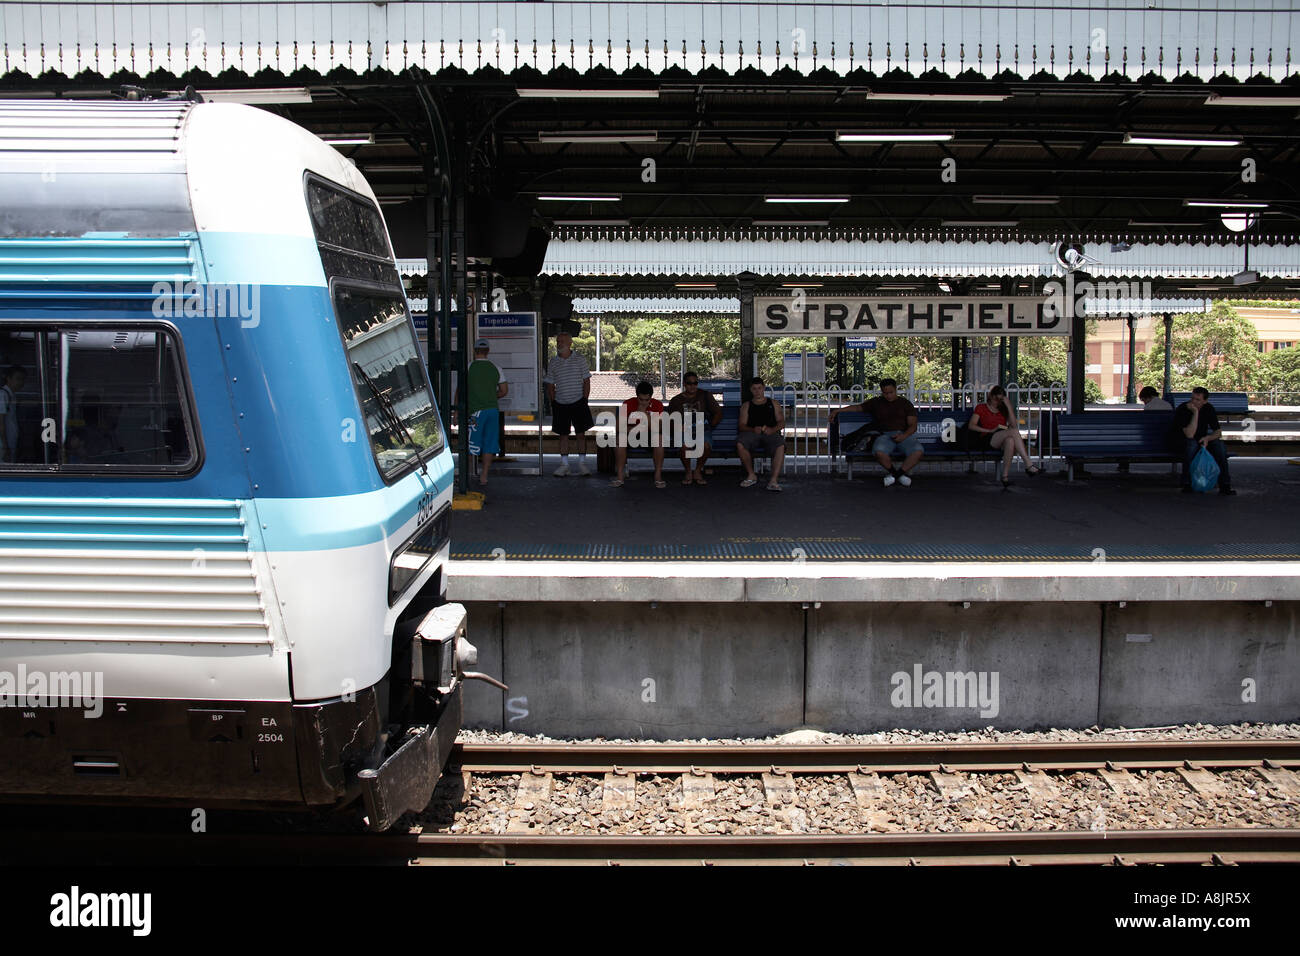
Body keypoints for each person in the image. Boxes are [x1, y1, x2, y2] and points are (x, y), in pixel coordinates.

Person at [829, 378, 922, 487]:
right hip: (884, 435)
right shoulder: (876, 402)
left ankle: (895, 475)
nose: (888, 396)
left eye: (891, 392)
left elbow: (913, 425)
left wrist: (904, 435)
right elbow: (858, 408)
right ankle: (898, 475)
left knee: (918, 451)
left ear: (895, 390)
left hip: (903, 434)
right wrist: (838, 410)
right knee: (879, 452)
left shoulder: (905, 404)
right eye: (885, 393)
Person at [966, 385, 1041, 488]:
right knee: (1013, 433)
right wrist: (989, 430)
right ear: (991, 396)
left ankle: (1005, 476)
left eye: (1000, 400)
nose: (997, 402)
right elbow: (972, 425)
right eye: (996, 398)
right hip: (987, 437)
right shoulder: (981, 408)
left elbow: (1014, 425)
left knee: (1010, 440)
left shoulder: (1003, 410)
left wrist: (1009, 406)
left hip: (1001, 434)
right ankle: (1028, 465)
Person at [543, 331, 593, 476]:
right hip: (560, 403)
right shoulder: (553, 362)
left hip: (579, 401)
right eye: (558, 341)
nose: (559, 344)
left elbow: (586, 380)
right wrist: (553, 402)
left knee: (580, 434)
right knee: (563, 435)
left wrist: (585, 399)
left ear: (570, 343)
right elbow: (550, 384)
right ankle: (564, 465)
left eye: (562, 341)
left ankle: (582, 464)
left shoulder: (580, 359)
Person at [459, 339, 507, 488]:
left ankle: (466, 476)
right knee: (490, 444)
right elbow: (504, 391)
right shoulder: (496, 368)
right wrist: (492, 397)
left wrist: (456, 412)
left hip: (475, 412)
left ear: (474, 351)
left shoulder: (469, 367)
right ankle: (484, 476)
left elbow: (460, 390)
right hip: (492, 410)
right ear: (488, 351)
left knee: (471, 443)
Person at [1172, 386, 1234, 495]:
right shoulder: (1183, 408)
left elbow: (1218, 432)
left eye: (1197, 400)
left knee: (1219, 446)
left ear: (1205, 401)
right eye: (1192, 398)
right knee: (1191, 445)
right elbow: (1189, 434)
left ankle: (1225, 485)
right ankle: (1187, 483)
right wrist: (1195, 413)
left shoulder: (1208, 408)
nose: (1193, 402)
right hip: (1182, 440)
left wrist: (1208, 438)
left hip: (1201, 439)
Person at [666, 371, 722, 485]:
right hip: (684, 429)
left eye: (695, 383)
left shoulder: (705, 396)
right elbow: (670, 420)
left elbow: (718, 412)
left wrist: (711, 425)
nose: (692, 386)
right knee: (684, 446)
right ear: (684, 384)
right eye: (689, 383)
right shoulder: (676, 400)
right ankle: (688, 471)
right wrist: (677, 426)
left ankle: (697, 471)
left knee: (705, 445)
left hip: (701, 428)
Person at [611, 381, 666, 489]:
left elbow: (658, 428)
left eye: (647, 400)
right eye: (641, 399)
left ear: (651, 397)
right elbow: (618, 427)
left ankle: (658, 476)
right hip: (632, 433)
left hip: (650, 435)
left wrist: (644, 414)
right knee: (619, 439)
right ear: (637, 397)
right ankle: (620, 476)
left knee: (659, 438)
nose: (644, 402)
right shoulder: (627, 403)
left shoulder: (657, 404)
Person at [737, 376, 786, 491]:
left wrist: (772, 430)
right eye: (754, 389)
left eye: (759, 388)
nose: (757, 391)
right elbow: (741, 425)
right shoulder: (746, 406)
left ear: (764, 388)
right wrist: (753, 429)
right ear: (751, 390)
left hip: (770, 433)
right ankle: (751, 475)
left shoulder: (773, 403)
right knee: (740, 443)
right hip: (752, 433)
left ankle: (773, 480)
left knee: (780, 445)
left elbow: (782, 422)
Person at [0, 366, 25, 463]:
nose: (21, 383)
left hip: (9, 442)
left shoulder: (11, 395)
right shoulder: (3, 395)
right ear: (8, 378)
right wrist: (5, 446)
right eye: (18, 379)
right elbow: (1, 422)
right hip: (3, 444)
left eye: (23, 379)